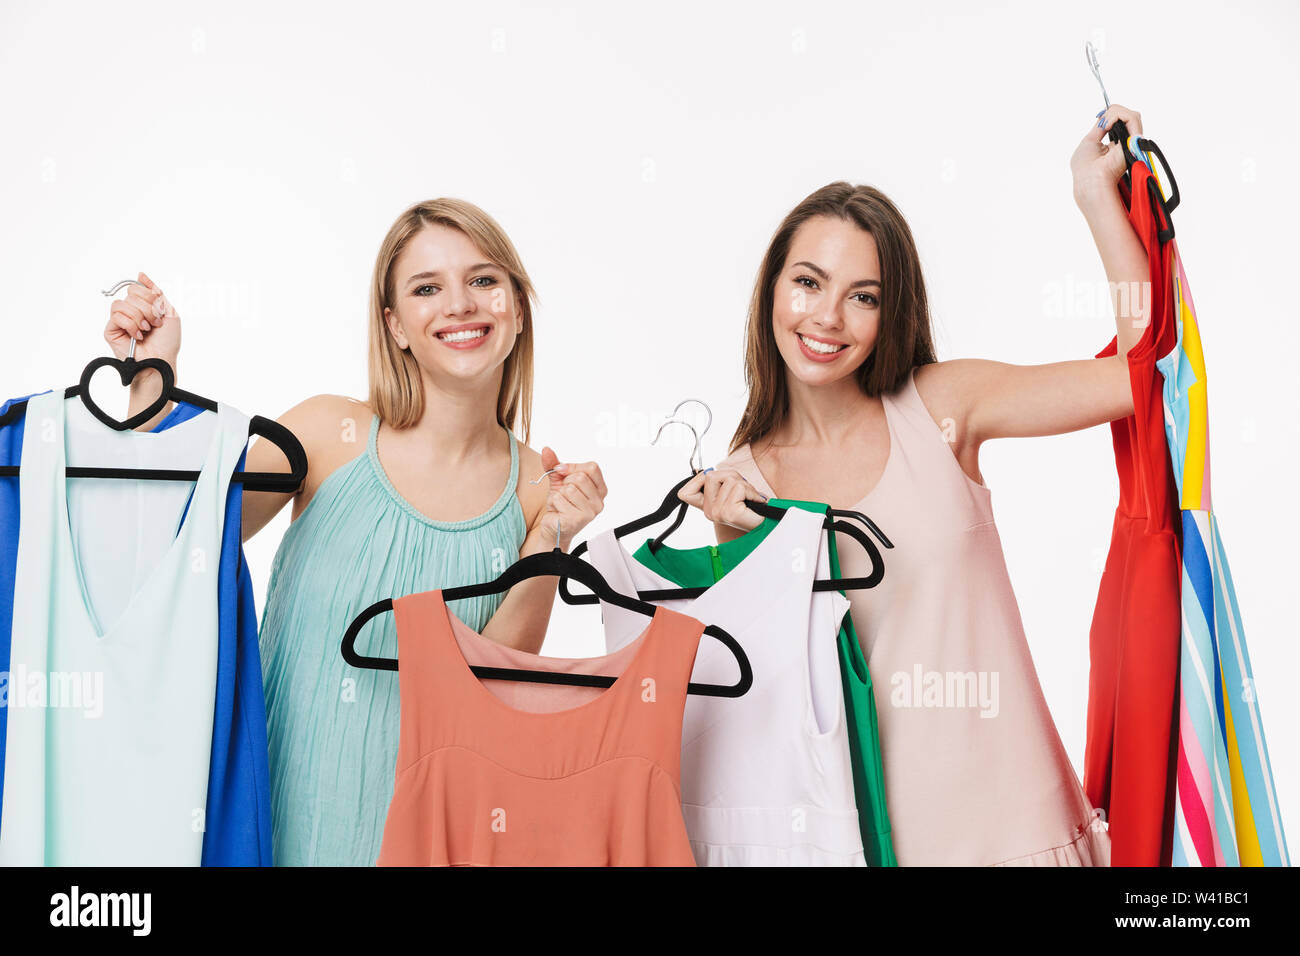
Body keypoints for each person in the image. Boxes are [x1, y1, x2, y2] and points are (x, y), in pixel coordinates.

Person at [678, 105, 1151, 866]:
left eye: (862, 296)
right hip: (874, 847)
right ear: (772, 289)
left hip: (1023, 834)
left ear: (889, 310)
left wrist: (1096, 200)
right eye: (808, 282)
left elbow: (1145, 374)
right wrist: (737, 545)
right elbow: (776, 707)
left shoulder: (941, 407)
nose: (827, 317)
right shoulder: (738, 484)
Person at [104, 198, 608, 866]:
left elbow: (490, 693)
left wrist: (552, 537)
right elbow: (175, 544)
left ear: (517, 305)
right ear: (395, 325)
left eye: (483, 279)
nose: (459, 303)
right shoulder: (326, 434)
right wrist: (151, 381)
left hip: (423, 839)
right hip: (275, 824)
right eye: (427, 288)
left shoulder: (534, 487)